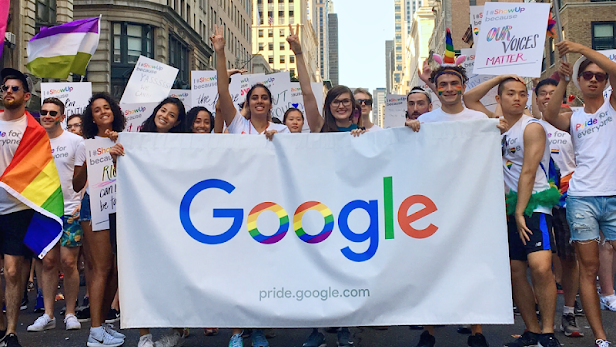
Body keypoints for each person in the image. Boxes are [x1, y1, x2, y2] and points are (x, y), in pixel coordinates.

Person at [407, 56, 498, 347]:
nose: (448, 88)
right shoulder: (425, 121)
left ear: (462, 86)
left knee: (472, 263)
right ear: (436, 87)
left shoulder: (479, 120)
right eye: (442, 84)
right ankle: (428, 330)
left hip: (471, 202)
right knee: (432, 264)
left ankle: (477, 330)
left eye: (453, 83)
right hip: (434, 203)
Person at [465, 74, 562, 347]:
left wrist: (520, 211)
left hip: (534, 205)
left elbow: (529, 172)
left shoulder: (532, 127)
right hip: (507, 206)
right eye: (510, 93)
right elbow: (469, 99)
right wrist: (500, 76)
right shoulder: (499, 125)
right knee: (515, 269)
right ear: (498, 98)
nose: (517, 98)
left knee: (541, 267)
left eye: (521, 93)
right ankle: (531, 331)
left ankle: (548, 331)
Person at [211, 23, 288, 347]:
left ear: (271, 104)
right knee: (239, 270)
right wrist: (220, 53)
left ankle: (256, 328)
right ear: (249, 102)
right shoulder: (237, 123)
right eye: (254, 97)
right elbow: (223, 92)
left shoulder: (283, 132)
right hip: (239, 207)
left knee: (263, 269)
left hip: (270, 208)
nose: (259, 101)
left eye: (264, 98)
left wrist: (278, 143)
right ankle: (237, 330)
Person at [542, 40, 616, 347]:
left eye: (600, 75)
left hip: (613, 197)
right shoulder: (573, 116)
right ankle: (600, 337)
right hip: (582, 198)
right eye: (588, 76)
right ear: (580, 81)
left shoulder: (613, 104)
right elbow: (548, 115)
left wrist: (581, 49)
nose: (595, 79)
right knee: (589, 268)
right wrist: (562, 77)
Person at [110, 97, 187, 347]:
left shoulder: (184, 145)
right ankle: (144, 334)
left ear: (177, 122)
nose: (165, 115)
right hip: (141, 217)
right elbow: (123, 173)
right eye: (163, 110)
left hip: (172, 218)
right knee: (138, 272)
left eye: (172, 114)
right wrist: (115, 156)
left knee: (171, 273)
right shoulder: (135, 140)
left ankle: (176, 330)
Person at [0, 68, 58, 347]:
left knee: (12, 270)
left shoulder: (35, 131)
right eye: (5, 88)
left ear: (26, 96)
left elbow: (43, 170)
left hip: (16, 208)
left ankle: (11, 331)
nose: (8, 91)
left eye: (14, 88)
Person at [26, 98, 85, 333]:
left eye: (53, 113)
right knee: (48, 262)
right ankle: (48, 314)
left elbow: (85, 174)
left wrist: (82, 201)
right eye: (44, 112)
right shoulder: (32, 141)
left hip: (70, 209)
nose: (47, 116)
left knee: (69, 262)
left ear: (62, 116)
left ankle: (70, 312)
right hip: (42, 210)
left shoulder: (76, 141)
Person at [73, 92, 126, 347]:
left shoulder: (126, 140)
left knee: (116, 270)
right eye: (97, 110)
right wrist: (91, 158)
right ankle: (95, 331)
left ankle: (103, 323)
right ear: (91, 118)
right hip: (95, 206)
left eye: (107, 107)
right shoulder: (86, 145)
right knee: (101, 268)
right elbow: (76, 184)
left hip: (122, 209)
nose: (103, 111)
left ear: (114, 112)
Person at [532, 78, 583, 337]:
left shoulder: (572, 123)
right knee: (541, 261)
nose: (548, 98)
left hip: (568, 198)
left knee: (568, 257)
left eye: (554, 93)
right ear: (537, 98)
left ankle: (569, 312)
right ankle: (544, 312)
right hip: (539, 199)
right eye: (543, 94)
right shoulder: (530, 125)